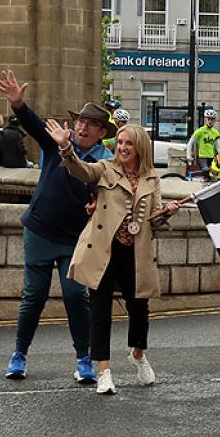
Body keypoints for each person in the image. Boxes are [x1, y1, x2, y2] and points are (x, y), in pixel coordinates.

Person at [0, 69, 113, 384]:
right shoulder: (57, 143)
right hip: (40, 229)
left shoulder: (105, 160)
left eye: (92, 124)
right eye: (81, 121)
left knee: (75, 296)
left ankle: (84, 359)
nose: (83, 127)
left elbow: (107, 195)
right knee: (34, 295)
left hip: (75, 237)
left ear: (102, 132)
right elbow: (33, 124)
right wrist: (18, 104)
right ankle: (19, 354)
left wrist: (97, 204)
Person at [47, 118, 182, 394]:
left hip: (136, 252)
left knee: (139, 310)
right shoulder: (105, 169)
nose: (122, 147)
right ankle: (103, 371)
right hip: (104, 249)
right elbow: (81, 170)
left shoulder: (152, 178)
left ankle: (138, 354)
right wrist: (65, 147)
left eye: (128, 143)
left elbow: (153, 220)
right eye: (120, 142)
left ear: (140, 147)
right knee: (100, 311)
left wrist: (166, 212)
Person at [186, 109, 220, 173]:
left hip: (211, 157)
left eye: (212, 119)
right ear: (205, 119)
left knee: (215, 173)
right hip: (202, 157)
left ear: (215, 120)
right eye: (208, 119)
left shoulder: (216, 132)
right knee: (206, 170)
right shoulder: (200, 131)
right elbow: (190, 143)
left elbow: (219, 148)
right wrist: (188, 156)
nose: (210, 121)